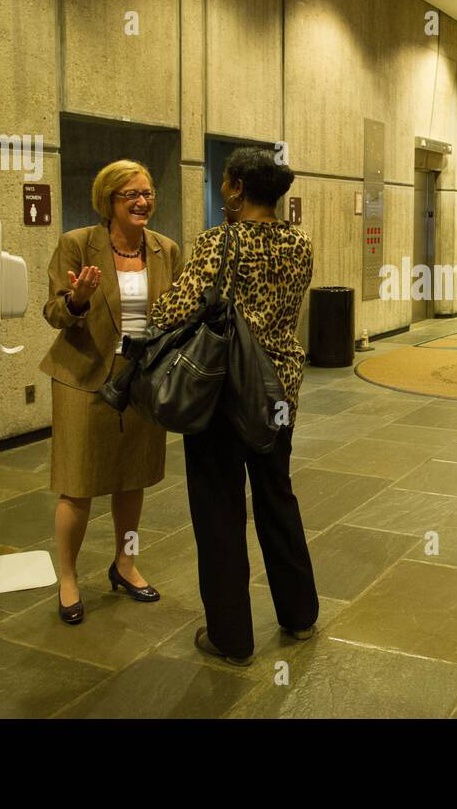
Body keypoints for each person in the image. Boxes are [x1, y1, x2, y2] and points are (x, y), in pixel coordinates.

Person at [150, 147, 318, 666]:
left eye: (225, 183)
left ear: (239, 189)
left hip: (222, 397)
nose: (222, 190)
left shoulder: (218, 242)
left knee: (220, 511)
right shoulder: (299, 243)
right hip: (279, 392)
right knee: (277, 499)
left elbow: (173, 311)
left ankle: (231, 636)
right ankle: (299, 615)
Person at [41, 160, 183, 625]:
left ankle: (124, 564)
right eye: (131, 195)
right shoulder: (78, 245)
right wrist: (77, 299)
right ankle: (67, 577)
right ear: (109, 201)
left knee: (132, 477)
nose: (143, 202)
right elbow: (55, 314)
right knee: (77, 484)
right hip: (85, 377)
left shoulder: (165, 250)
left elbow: (175, 311)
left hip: (142, 378)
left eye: (148, 192)